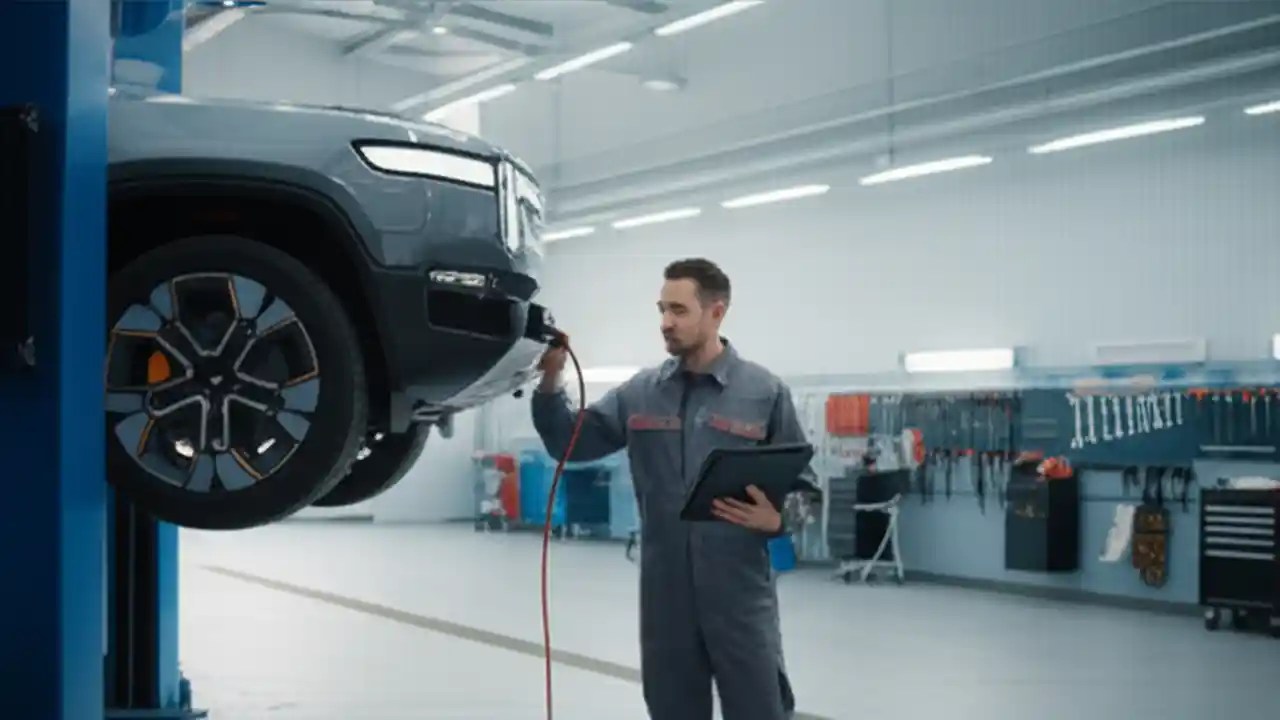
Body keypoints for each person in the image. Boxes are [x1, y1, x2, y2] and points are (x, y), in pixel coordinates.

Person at [531, 257, 813, 720]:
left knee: (759, 709)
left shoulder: (764, 393)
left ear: (716, 312)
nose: (665, 322)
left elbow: (805, 490)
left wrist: (778, 519)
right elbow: (569, 442)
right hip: (666, 598)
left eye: (679, 311)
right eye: (662, 309)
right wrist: (550, 381)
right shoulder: (641, 393)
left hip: (740, 597)